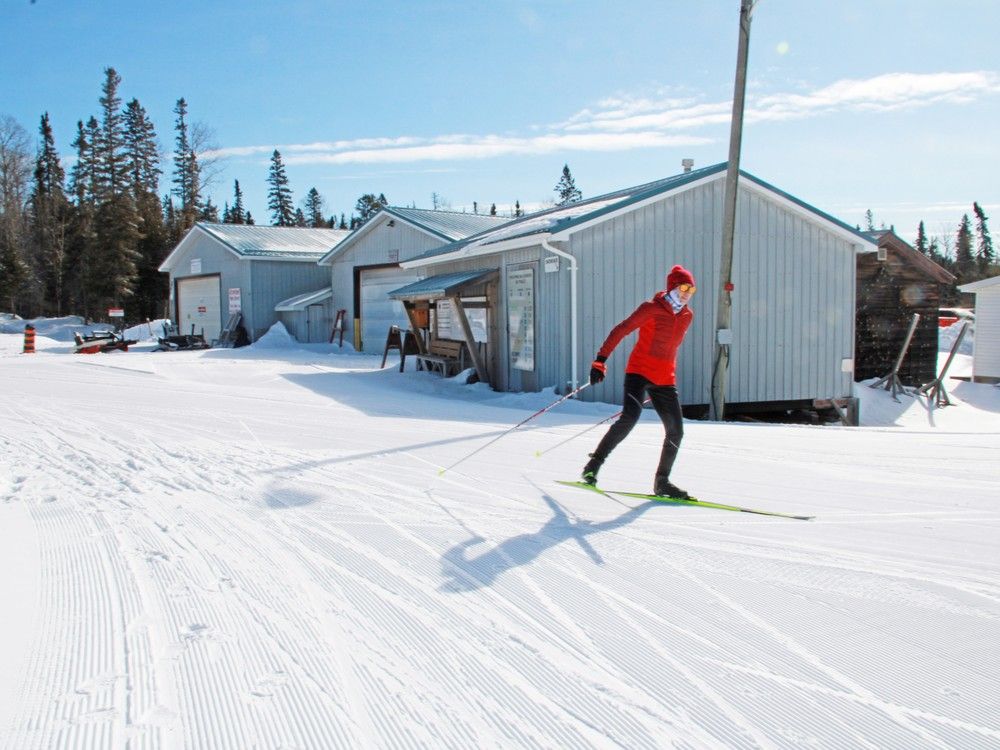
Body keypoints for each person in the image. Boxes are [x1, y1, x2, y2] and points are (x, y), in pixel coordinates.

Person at [582, 264, 696, 498]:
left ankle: (662, 482)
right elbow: (622, 329)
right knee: (629, 418)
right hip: (639, 373)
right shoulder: (651, 308)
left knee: (676, 431)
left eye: (691, 289)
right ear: (672, 287)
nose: (687, 293)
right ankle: (593, 466)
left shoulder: (687, 316)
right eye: (683, 287)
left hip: (665, 380)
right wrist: (600, 360)